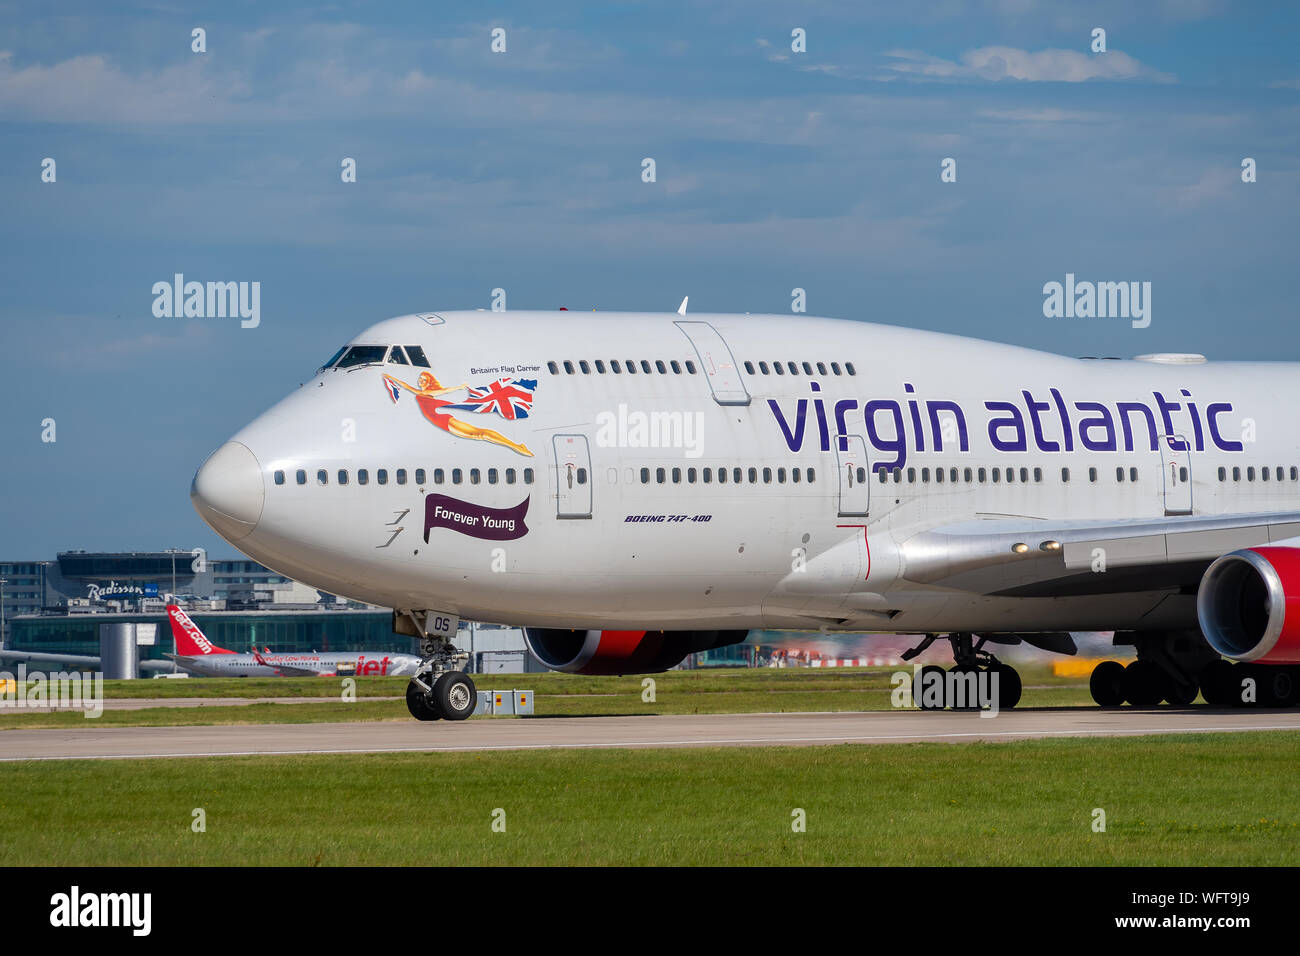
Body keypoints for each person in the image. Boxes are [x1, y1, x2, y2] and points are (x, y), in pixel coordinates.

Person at [384, 372, 534, 457]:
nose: (420, 381)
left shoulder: (431, 391)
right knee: (478, 434)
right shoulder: (421, 392)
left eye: (423, 380)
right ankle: (516, 446)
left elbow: (445, 391)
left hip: (444, 420)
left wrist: (459, 387)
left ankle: (517, 446)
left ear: (429, 381)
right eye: (420, 379)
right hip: (440, 422)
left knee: (479, 434)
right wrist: (389, 377)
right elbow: (405, 386)